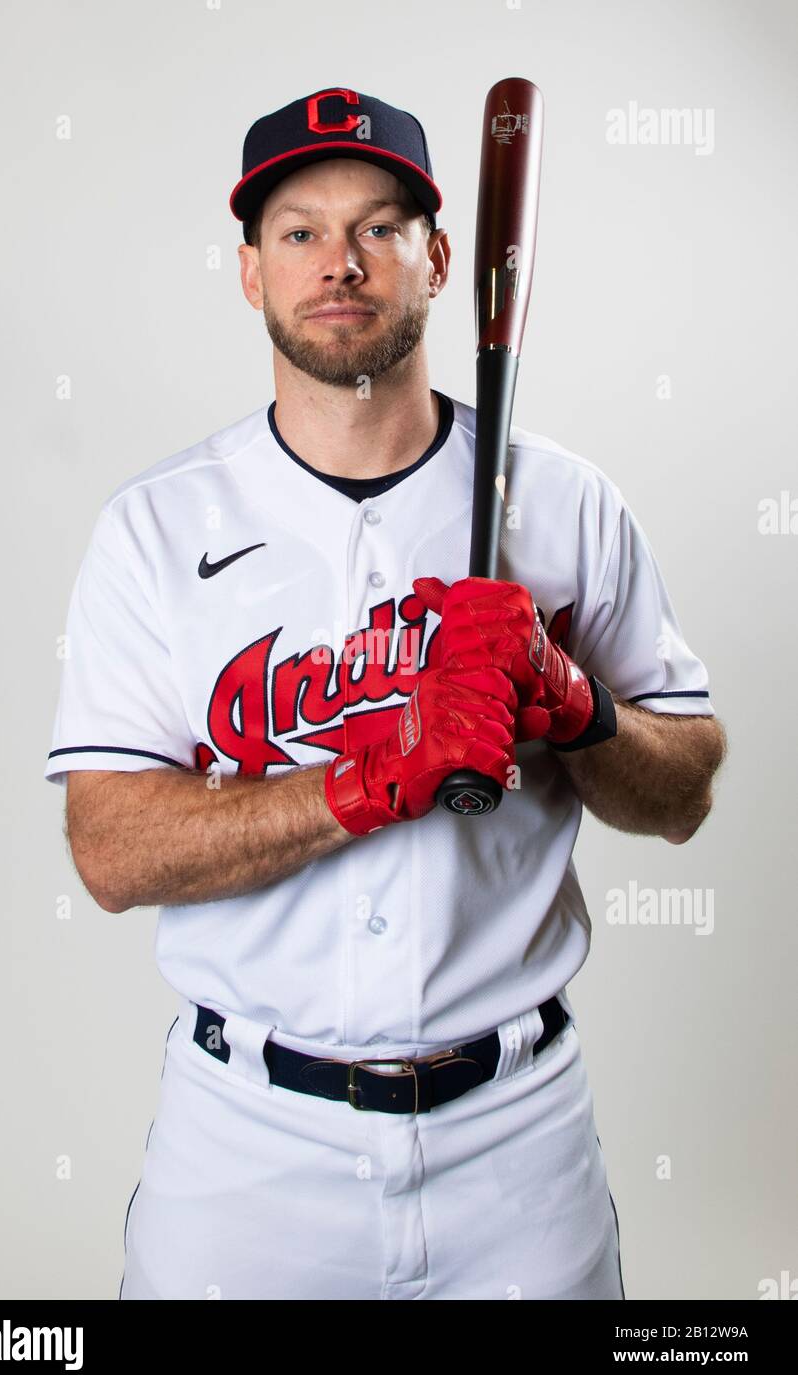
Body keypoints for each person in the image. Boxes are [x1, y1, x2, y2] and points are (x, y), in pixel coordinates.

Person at [45, 87, 726, 1300]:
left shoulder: (563, 504)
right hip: (244, 1148)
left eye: (379, 227)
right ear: (250, 272)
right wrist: (360, 785)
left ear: (440, 260)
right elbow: (109, 850)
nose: (340, 262)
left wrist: (578, 709)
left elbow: (684, 791)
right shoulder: (154, 527)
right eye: (299, 232)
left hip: (516, 1138)